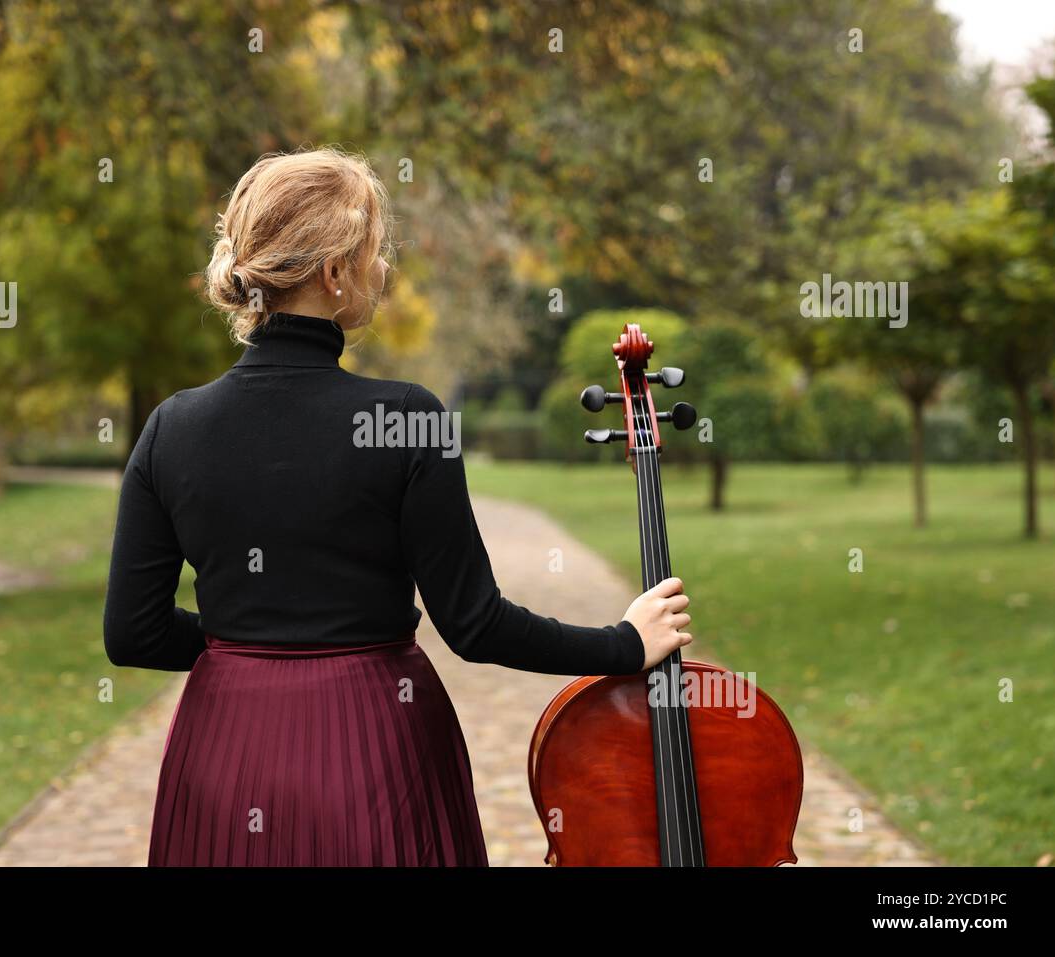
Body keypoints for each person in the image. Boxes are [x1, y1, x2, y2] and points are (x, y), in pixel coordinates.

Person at [102, 146, 694, 866]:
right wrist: (624, 643)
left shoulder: (173, 425)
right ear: (334, 273)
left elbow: (131, 633)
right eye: (376, 252)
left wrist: (247, 644)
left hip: (224, 747)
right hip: (376, 741)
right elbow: (474, 624)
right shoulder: (407, 417)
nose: (384, 271)